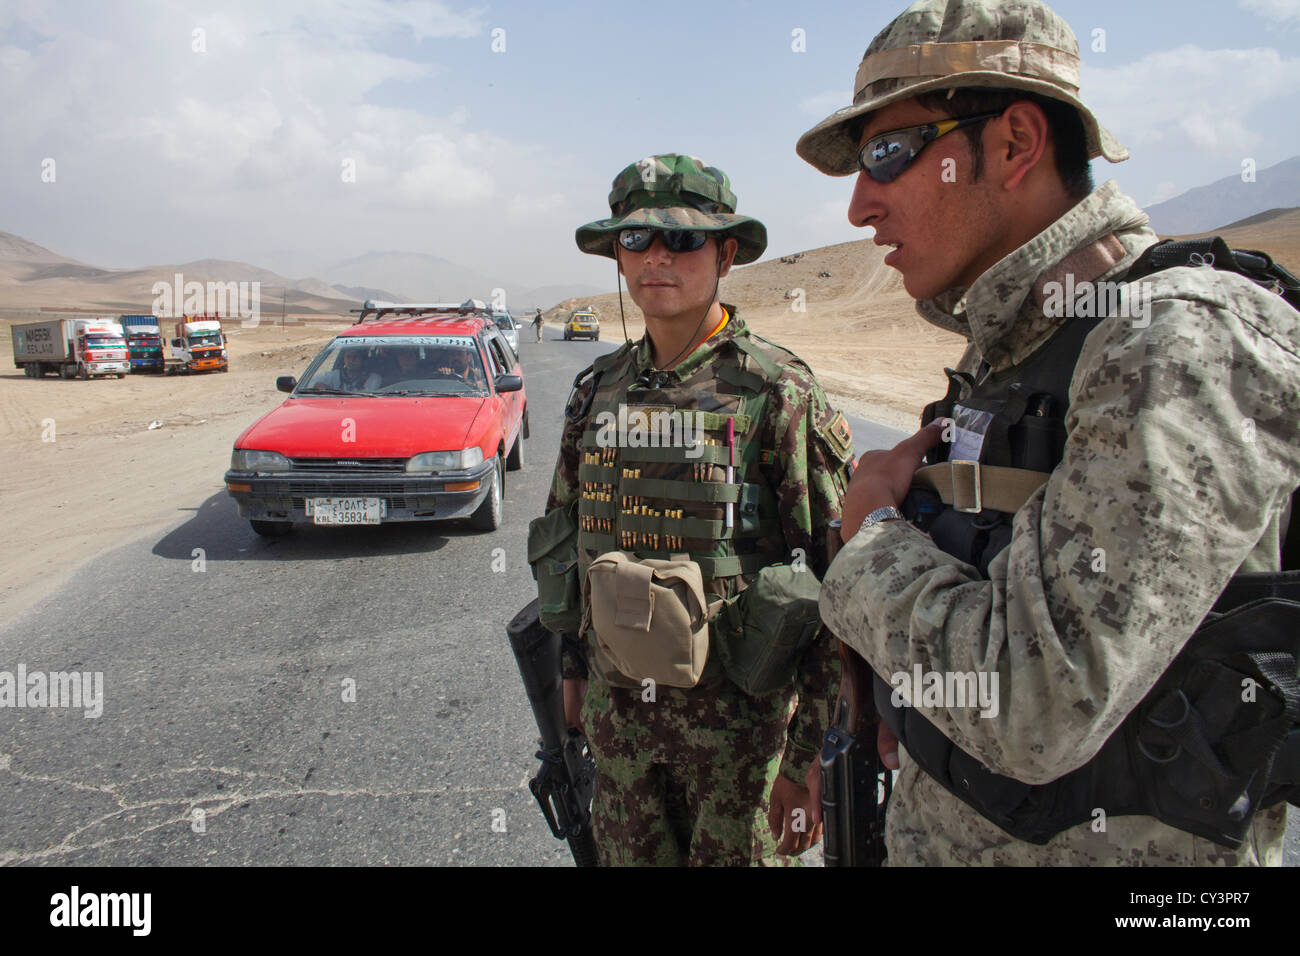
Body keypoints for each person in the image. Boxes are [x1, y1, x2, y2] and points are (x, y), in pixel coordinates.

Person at [800, 0, 1300, 865]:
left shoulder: (1170, 340)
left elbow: (1035, 703)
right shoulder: (1014, 351)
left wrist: (868, 538)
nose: (859, 206)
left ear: (1015, 143)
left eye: (887, 154)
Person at [527, 154, 856, 866]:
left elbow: (835, 581)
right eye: (636, 240)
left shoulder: (775, 392)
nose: (656, 258)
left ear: (726, 253)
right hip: (622, 740)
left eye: (682, 241)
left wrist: (805, 763)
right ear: (616, 253)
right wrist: (572, 674)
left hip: (741, 749)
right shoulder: (596, 391)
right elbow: (565, 543)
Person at [315, 347, 380, 392]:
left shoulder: (373, 378)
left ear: (363, 359)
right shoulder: (335, 375)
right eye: (348, 357)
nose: (351, 360)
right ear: (343, 359)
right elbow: (312, 382)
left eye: (355, 357)